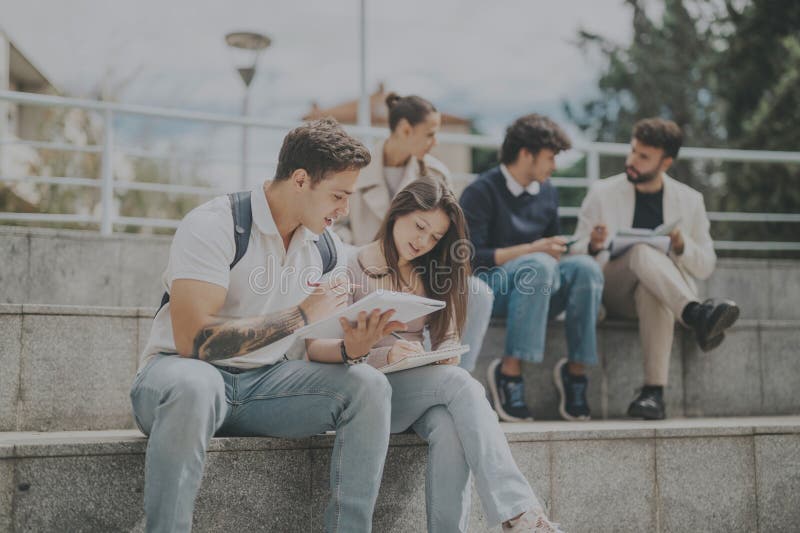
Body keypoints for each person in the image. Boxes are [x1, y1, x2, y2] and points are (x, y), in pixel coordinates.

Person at [131, 118, 406, 532]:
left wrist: (353, 348)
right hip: (178, 380)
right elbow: (193, 342)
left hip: (265, 387)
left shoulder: (325, 248)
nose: (344, 210)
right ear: (300, 180)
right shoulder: (215, 224)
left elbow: (314, 347)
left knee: (369, 386)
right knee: (196, 385)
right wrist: (299, 315)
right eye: (338, 195)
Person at [307, 176, 562, 533]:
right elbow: (315, 350)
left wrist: (444, 353)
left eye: (435, 237)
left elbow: (447, 337)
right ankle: (518, 514)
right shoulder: (348, 266)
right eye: (419, 227)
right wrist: (386, 355)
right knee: (460, 386)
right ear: (398, 213)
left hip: (415, 392)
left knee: (449, 423)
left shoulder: (434, 270)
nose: (423, 242)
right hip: (363, 393)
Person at [572, 117, 739, 420]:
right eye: (633, 151)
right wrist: (594, 244)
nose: (632, 160)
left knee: (654, 290)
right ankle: (694, 314)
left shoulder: (690, 200)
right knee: (640, 249)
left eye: (643, 156)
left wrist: (680, 244)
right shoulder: (602, 192)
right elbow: (574, 251)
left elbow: (706, 265)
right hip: (612, 288)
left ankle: (653, 394)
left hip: (657, 294)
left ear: (666, 162)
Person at [460, 114, 604, 422]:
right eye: (550, 158)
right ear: (526, 154)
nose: (554, 166)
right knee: (537, 265)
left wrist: (585, 245)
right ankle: (509, 372)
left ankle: (575, 373)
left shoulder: (548, 192)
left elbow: (552, 250)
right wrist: (532, 251)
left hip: (538, 283)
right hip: (491, 287)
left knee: (586, 269)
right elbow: (469, 257)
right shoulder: (481, 191)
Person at [341, 92, 494, 373]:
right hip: (365, 266)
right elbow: (339, 226)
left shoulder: (437, 173)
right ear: (405, 130)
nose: (435, 143)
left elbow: (445, 231)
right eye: (430, 134)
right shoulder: (357, 168)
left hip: (421, 268)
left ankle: (457, 372)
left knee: (478, 293)